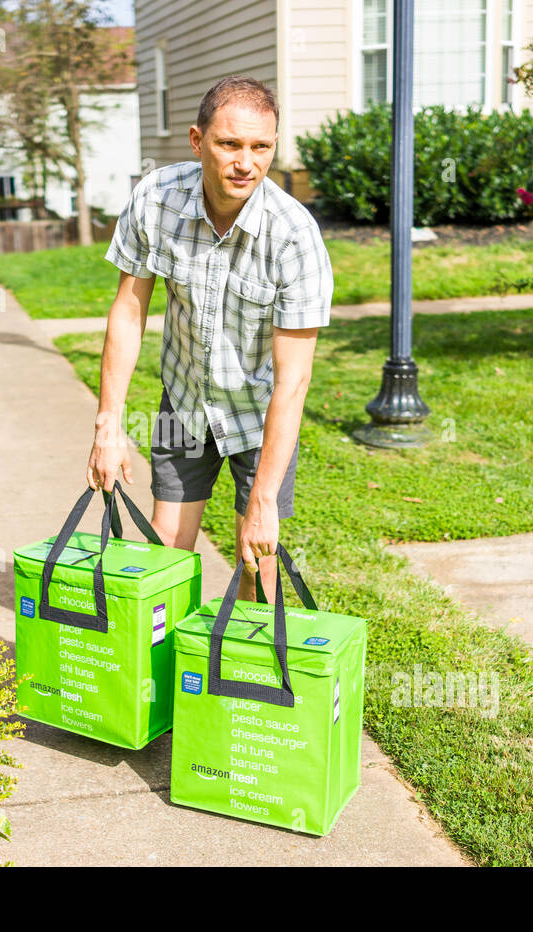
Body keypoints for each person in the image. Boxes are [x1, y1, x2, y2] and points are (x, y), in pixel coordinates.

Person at [87, 74, 333, 602]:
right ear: (198, 142)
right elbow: (128, 313)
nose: (246, 162)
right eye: (230, 144)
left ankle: (243, 679)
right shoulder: (155, 199)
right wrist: (110, 422)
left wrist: (263, 500)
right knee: (166, 557)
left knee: (256, 563)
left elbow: (294, 380)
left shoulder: (294, 236)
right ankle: (165, 674)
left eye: (261, 147)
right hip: (185, 399)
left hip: (261, 410)